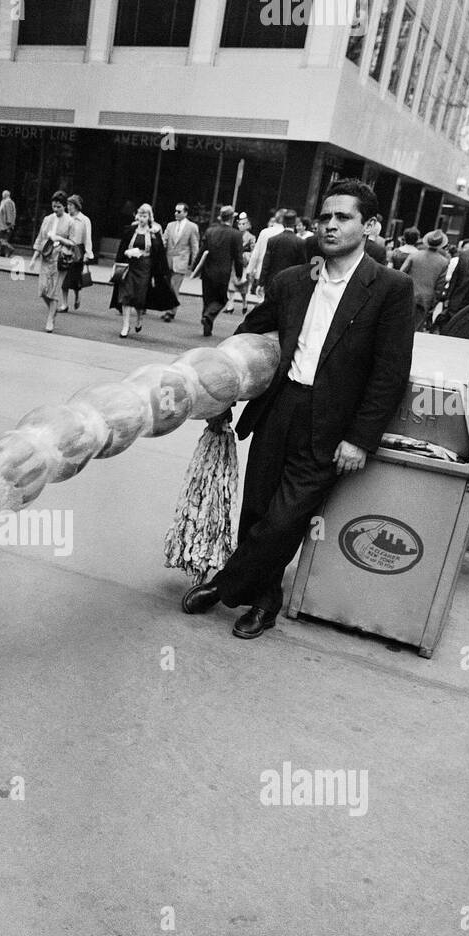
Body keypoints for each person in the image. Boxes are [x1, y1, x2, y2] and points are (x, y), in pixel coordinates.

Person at [180, 178, 414, 639]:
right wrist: (219, 389)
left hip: (332, 424)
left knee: (285, 519)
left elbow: (390, 373)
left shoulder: (390, 288)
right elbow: (246, 334)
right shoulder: (291, 282)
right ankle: (264, 603)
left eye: (342, 217)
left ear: (370, 225)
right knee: (258, 512)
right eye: (324, 217)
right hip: (280, 407)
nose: (329, 225)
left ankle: (224, 586)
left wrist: (360, 438)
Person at [111, 202, 177, 337]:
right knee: (126, 295)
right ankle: (125, 325)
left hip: (145, 267)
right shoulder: (130, 230)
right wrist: (122, 258)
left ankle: (140, 318)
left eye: (144, 216)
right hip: (130, 265)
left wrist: (160, 273)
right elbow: (122, 248)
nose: (141, 219)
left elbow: (159, 254)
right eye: (140, 216)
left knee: (139, 297)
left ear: (149, 217)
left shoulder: (153, 233)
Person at [28, 190, 78, 333]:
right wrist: (33, 259)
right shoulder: (47, 219)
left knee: (54, 290)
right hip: (46, 257)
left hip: (60, 258)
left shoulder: (70, 222)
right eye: (54, 206)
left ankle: (50, 319)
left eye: (59, 207)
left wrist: (59, 238)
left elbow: (73, 243)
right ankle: (52, 310)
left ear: (64, 206)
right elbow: (40, 239)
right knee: (43, 290)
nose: (56, 209)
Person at [198, 205, 243, 337]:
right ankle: (208, 316)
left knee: (208, 299)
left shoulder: (210, 231)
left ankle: (207, 325)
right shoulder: (235, 234)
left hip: (207, 270)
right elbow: (238, 257)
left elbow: (202, 250)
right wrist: (239, 274)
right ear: (231, 218)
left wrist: (196, 268)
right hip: (223, 272)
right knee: (221, 299)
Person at [401, 229, 450, 334]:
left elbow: (401, 273)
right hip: (425, 299)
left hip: (407, 294)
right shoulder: (443, 262)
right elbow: (440, 286)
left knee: (401, 323)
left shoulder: (415, 255)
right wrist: (434, 301)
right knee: (416, 328)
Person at [161, 203, 200, 321]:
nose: (176, 213)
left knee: (174, 287)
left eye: (179, 211)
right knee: (168, 287)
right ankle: (169, 308)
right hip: (168, 261)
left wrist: (195, 264)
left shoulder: (192, 227)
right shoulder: (170, 225)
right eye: (175, 211)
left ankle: (171, 312)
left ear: (185, 213)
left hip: (181, 262)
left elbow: (194, 246)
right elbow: (164, 241)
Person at [59, 194, 94, 312]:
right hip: (64, 249)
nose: (68, 207)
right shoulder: (65, 218)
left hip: (77, 250)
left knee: (74, 278)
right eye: (68, 204)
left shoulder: (84, 220)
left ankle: (77, 294)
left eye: (71, 205)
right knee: (63, 279)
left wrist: (88, 254)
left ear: (77, 206)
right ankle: (64, 304)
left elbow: (87, 238)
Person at [261, 210, 307, 288]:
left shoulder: (272, 240)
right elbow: (302, 266)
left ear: (283, 222)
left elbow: (266, 264)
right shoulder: (300, 242)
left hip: (272, 282)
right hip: (290, 283)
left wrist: (261, 283)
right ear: (295, 223)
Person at [247, 208, 286, 297]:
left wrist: (249, 270)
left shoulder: (265, 232)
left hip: (262, 272)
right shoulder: (288, 235)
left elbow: (256, 253)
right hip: (281, 274)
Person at [0, 189, 16, 258]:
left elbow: (9, 214)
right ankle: (2, 253)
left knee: (2, 239)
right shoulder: (4, 202)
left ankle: (10, 248)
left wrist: (9, 224)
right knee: (4, 239)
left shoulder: (8, 202)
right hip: (3, 224)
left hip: (5, 225)